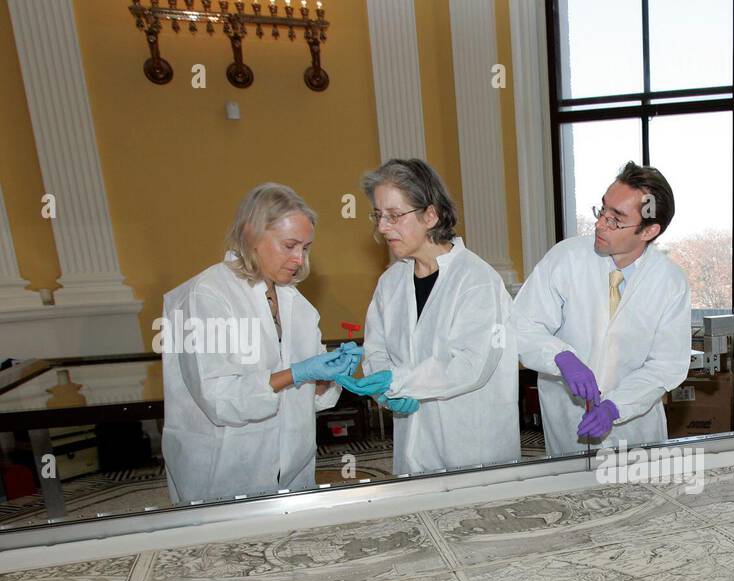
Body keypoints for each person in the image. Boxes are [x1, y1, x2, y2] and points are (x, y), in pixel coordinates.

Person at [161, 183, 356, 504]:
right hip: (223, 467)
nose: (298, 258)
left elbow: (313, 394)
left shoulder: (298, 305)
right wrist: (297, 372)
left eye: (305, 248)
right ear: (251, 234)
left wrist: (330, 375)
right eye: (289, 245)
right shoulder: (206, 295)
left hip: (293, 468)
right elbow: (220, 399)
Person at [343, 158, 519, 474]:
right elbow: (376, 351)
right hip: (412, 447)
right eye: (378, 216)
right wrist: (385, 390)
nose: (382, 227)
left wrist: (398, 382)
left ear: (430, 215)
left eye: (394, 216)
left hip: (471, 449)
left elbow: (470, 366)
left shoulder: (477, 280)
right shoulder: (391, 281)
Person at [511, 161, 691, 457]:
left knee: (641, 501)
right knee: (572, 500)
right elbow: (521, 324)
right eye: (602, 210)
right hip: (568, 420)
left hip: (635, 430)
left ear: (649, 230)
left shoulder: (670, 282)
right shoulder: (565, 258)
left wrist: (615, 407)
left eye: (616, 219)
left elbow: (666, 365)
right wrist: (561, 357)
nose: (600, 224)